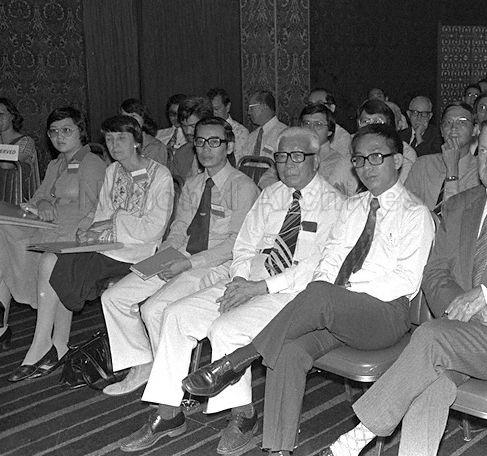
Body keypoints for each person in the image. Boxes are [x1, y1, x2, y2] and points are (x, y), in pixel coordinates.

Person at [317, 115, 487, 456]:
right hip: (458, 332)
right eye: (483, 151)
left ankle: (355, 439)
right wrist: (468, 310)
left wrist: (486, 297)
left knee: (428, 337)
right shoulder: (458, 205)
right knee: (431, 385)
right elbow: (435, 273)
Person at [182, 123, 435, 456]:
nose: (367, 167)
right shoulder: (354, 206)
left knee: (318, 293)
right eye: (359, 160)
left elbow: (405, 282)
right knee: (288, 350)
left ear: (398, 160)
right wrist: (329, 284)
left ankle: (239, 360)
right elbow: (331, 256)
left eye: (377, 158)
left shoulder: (415, 214)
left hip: (383, 316)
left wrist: (342, 287)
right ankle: (278, 449)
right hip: (336, 311)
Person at [119, 128, 346, 454]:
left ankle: (244, 416)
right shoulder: (271, 195)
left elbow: (318, 264)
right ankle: (168, 412)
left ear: (316, 159)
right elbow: (244, 245)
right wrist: (240, 281)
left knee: (226, 329)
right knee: (175, 315)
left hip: (291, 293)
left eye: (297, 157)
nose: (288, 164)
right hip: (245, 283)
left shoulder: (334, 205)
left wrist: (259, 287)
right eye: (281, 157)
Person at [99, 117, 258, 396]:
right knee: (113, 298)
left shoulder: (241, 186)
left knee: (153, 309)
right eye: (199, 142)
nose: (206, 148)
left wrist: (187, 263)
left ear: (229, 146)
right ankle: (143, 363)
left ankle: (171, 385)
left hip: (215, 264)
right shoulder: (195, 183)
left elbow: (236, 244)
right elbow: (179, 227)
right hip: (181, 254)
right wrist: (167, 253)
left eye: (214, 142)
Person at [13, 116, 173, 381]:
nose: (114, 144)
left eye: (121, 138)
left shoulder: (160, 175)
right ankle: (46, 343)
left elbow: (154, 228)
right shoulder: (113, 172)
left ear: (136, 141)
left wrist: (110, 224)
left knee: (58, 265)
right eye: (109, 139)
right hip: (108, 245)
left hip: (138, 250)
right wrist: (89, 230)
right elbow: (102, 213)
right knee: (50, 260)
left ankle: (50, 346)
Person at [4, 108, 106, 381]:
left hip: (77, 235)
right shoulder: (55, 164)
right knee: (4, 232)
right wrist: (46, 202)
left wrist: (65, 227)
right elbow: (38, 198)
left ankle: (42, 344)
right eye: (54, 131)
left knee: (51, 260)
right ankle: (56, 344)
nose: (59, 137)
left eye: (67, 130)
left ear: (80, 131)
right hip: (51, 230)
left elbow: (96, 211)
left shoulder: (92, 163)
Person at [260, 105, 359, 196]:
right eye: (306, 123)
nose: (311, 128)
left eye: (318, 124)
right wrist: (287, 192)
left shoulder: (342, 164)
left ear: (330, 131)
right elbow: (264, 180)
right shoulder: (288, 156)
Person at [404, 102, 480, 214]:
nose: (453, 127)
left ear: (474, 130)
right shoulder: (423, 164)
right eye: (448, 122)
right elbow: (406, 207)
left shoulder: (481, 170)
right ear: (441, 130)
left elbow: (456, 217)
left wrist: (452, 169)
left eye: (462, 122)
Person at [356, 99, 417, 181]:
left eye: (377, 121)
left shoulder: (404, 158)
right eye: (365, 121)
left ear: (389, 126)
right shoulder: (352, 154)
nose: (370, 126)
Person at [0, 97, 40, 200]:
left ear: (12, 116)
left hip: (17, 198)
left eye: (1, 114)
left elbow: (6, 164)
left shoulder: (26, 141)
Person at [169, 97, 214, 183]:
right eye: (184, 126)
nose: (187, 132)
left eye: (193, 126)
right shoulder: (181, 153)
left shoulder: (218, 151)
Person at [306, 87, 353, 157]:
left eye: (319, 104)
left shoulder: (343, 138)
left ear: (332, 108)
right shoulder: (303, 130)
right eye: (310, 105)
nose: (314, 109)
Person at [207, 87, 250, 164]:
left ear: (227, 107)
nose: (213, 113)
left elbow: (239, 163)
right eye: (211, 110)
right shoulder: (206, 129)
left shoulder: (240, 132)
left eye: (217, 109)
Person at [244, 90, 288, 164]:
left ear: (264, 106)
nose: (248, 112)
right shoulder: (252, 136)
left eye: (251, 108)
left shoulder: (284, 134)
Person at [120, 98, 168, 165]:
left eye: (133, 116)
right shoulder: (117, 143)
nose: (128, 121)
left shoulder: (155, 147)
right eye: (124, 117)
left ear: (143, 118)